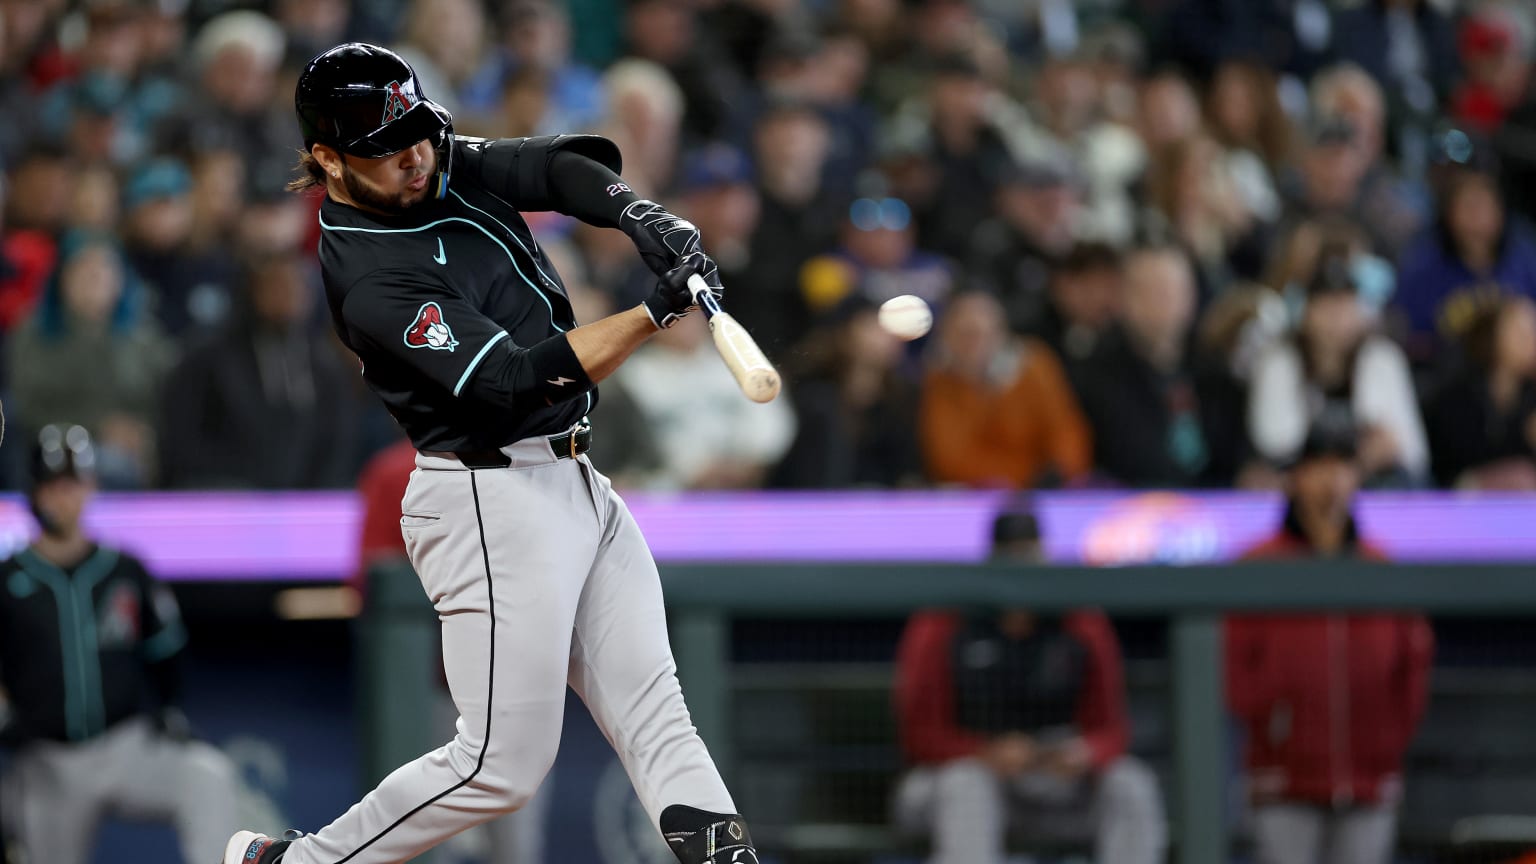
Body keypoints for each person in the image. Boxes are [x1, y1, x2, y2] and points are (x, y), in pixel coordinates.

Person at [219, 43, 758, 864]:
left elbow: (556, 167)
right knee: (498, 766)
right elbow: (512, 383)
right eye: (387, 148)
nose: (415, 158)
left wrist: (639, 215)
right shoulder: (370, 273)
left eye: (419, 135)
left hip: (574, 476)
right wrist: (651, 314)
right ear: (327, 159)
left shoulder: (428, 160)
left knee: (657, 715)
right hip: (487, 495)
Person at [0, 425, 240, 864]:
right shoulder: (9, 579)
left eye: (72, 485)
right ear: (34, 493)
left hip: (124, 744)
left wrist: (168, 708)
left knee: (207, 777)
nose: (63, 498)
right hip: (49, 759)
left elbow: (165, 651)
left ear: (90, 487)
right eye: (52, 487)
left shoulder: (125, 570)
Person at [893, 511, 1167, 864]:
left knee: (1130, 782)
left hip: (1053, 779)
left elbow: (1112, 729)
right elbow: (918, 735)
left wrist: (1085, 752)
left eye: (1029, 556)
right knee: (967, 785)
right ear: (992, 559)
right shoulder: (947, 619)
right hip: (955, 783)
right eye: (1012, 556)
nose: (1022, 567)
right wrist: (984, 752)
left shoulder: (1078, 620)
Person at [1226, 414, 1434, 864]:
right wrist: (1273, 718)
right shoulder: (1258, 565)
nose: (1331, 479)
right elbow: (1231, 667)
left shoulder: (1380, 566)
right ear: (1296, 477)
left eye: (1343, 465)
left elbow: (1413, 663)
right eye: (1319, 465)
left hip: (1368, 777)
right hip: (1283, 779)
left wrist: (1388, 737)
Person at [920, 291, 1092, 489]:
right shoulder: (940, 381)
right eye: (965, 335)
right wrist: (1022, 478)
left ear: (1001, 334)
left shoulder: (1035, 367)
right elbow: (949, 458)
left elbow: (1066, 431)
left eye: (981, 334)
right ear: (947, 338)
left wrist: (1059, 471)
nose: (974, 345)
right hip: (977, 494)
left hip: (1045, 490)